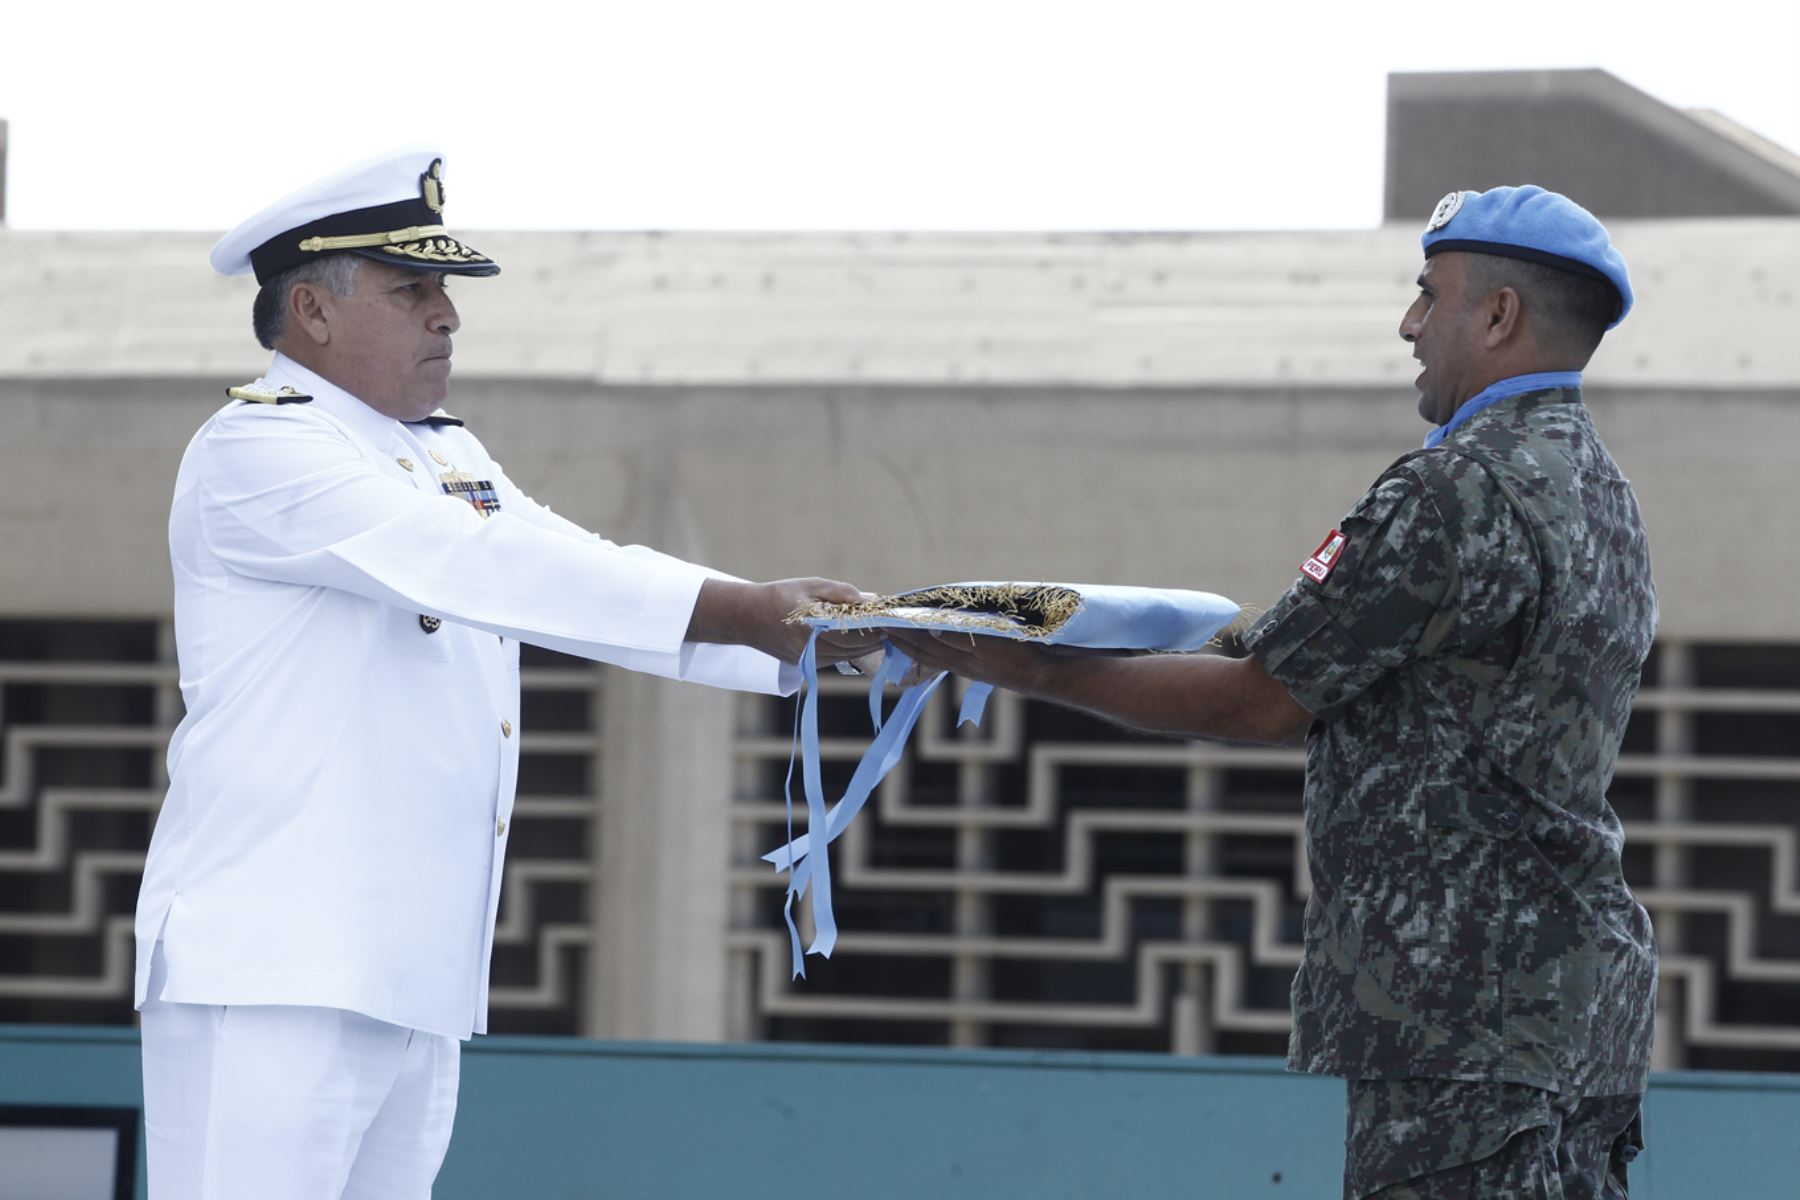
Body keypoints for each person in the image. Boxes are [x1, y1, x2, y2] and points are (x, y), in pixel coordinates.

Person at [132, 146, 874, 1199]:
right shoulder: (256, 450)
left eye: (446, 289)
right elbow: (485, 568)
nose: (448, 316)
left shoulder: (443, 457)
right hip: (271, 970)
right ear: (313, 311)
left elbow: (585, 576)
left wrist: (787, 638)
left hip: (408, 972)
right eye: (412, 289)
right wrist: (752, 612)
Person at [892, 185, 1656, 1199]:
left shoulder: (1452, 491)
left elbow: (1259, 696)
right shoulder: (1604, 497)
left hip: (1463, 1014)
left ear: (1501, 317)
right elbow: (1298, 646)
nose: (1410, 325)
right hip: (1580, 1003)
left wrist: (1020, 660)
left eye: (1431, 297)